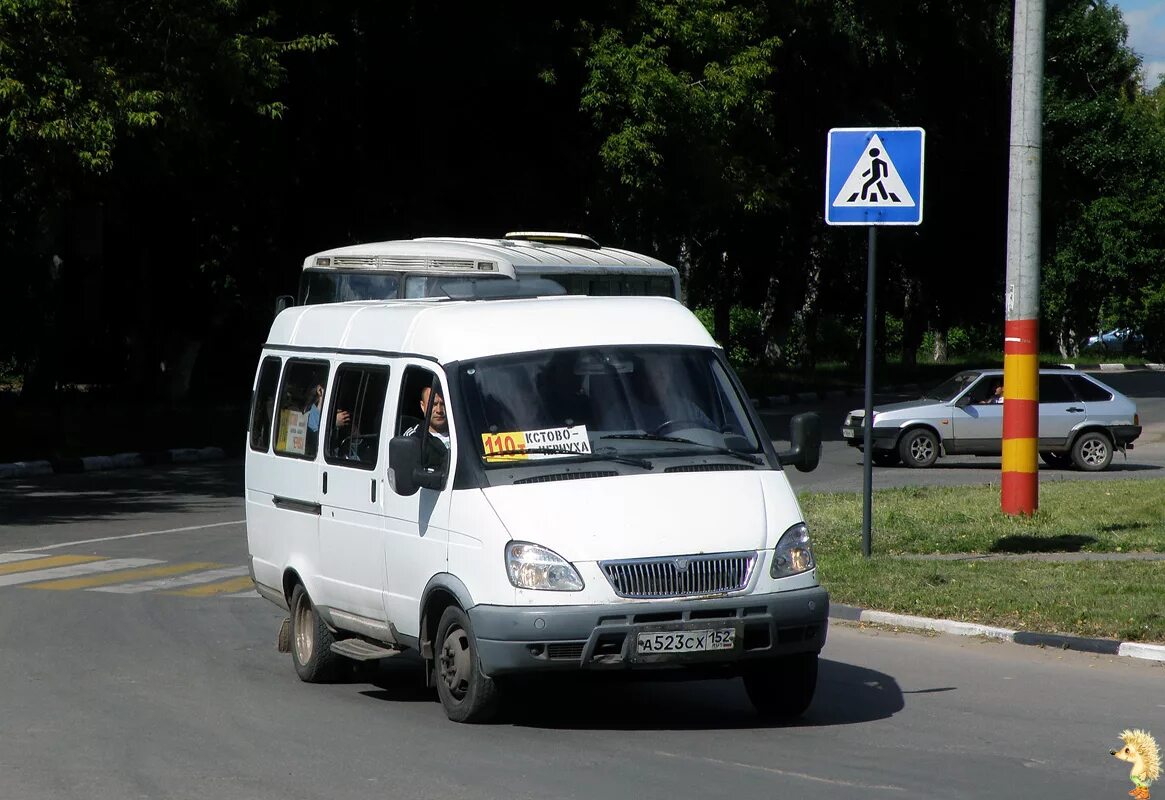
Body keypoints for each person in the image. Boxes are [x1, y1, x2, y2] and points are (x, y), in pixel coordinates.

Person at [404, 385, 450, 472]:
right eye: (434, 404)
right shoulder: (414, 438)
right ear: (422, 406)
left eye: (443, 404)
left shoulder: (463, 434)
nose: (439, 410)